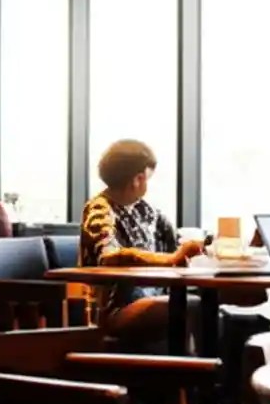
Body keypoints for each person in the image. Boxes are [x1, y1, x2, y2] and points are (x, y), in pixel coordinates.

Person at [79, 140, 205, 342]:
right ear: (137, 179)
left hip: (155, 295)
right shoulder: (100, 209)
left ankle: (208, 367)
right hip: (116, 308)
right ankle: (199, 369)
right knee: (195, 306)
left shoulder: (147, 211)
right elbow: (110, 256)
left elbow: (178, 246)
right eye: (147, 178)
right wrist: (171, 258)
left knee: (216, 303)